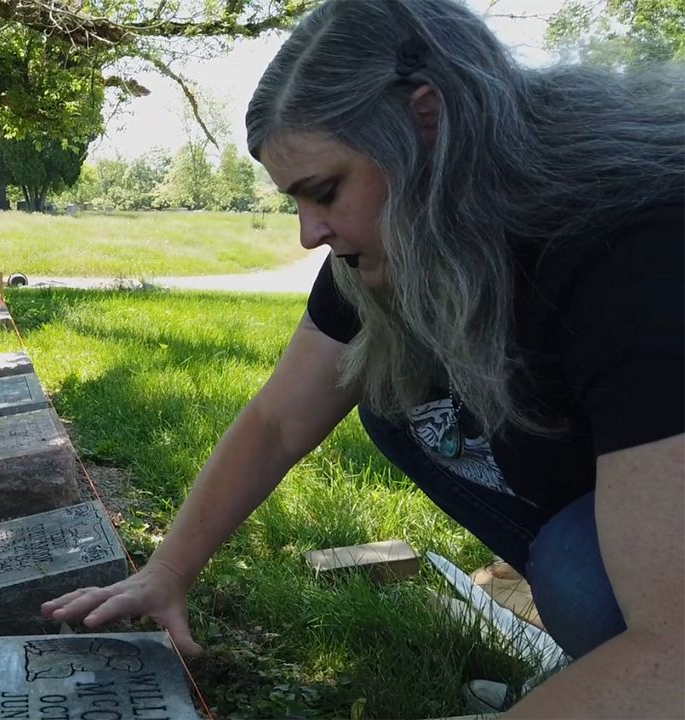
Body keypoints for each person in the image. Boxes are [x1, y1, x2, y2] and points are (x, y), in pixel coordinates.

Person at [43, 0, 683, 715]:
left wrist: (643, 662)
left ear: (427, 120)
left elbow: (675, 651)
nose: (309, 234)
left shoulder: (634, 251)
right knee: (388, 382)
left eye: (324, 191)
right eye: (295, 201)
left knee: (579, 573)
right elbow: (281, 420)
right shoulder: (401, 236)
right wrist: (165, 570)